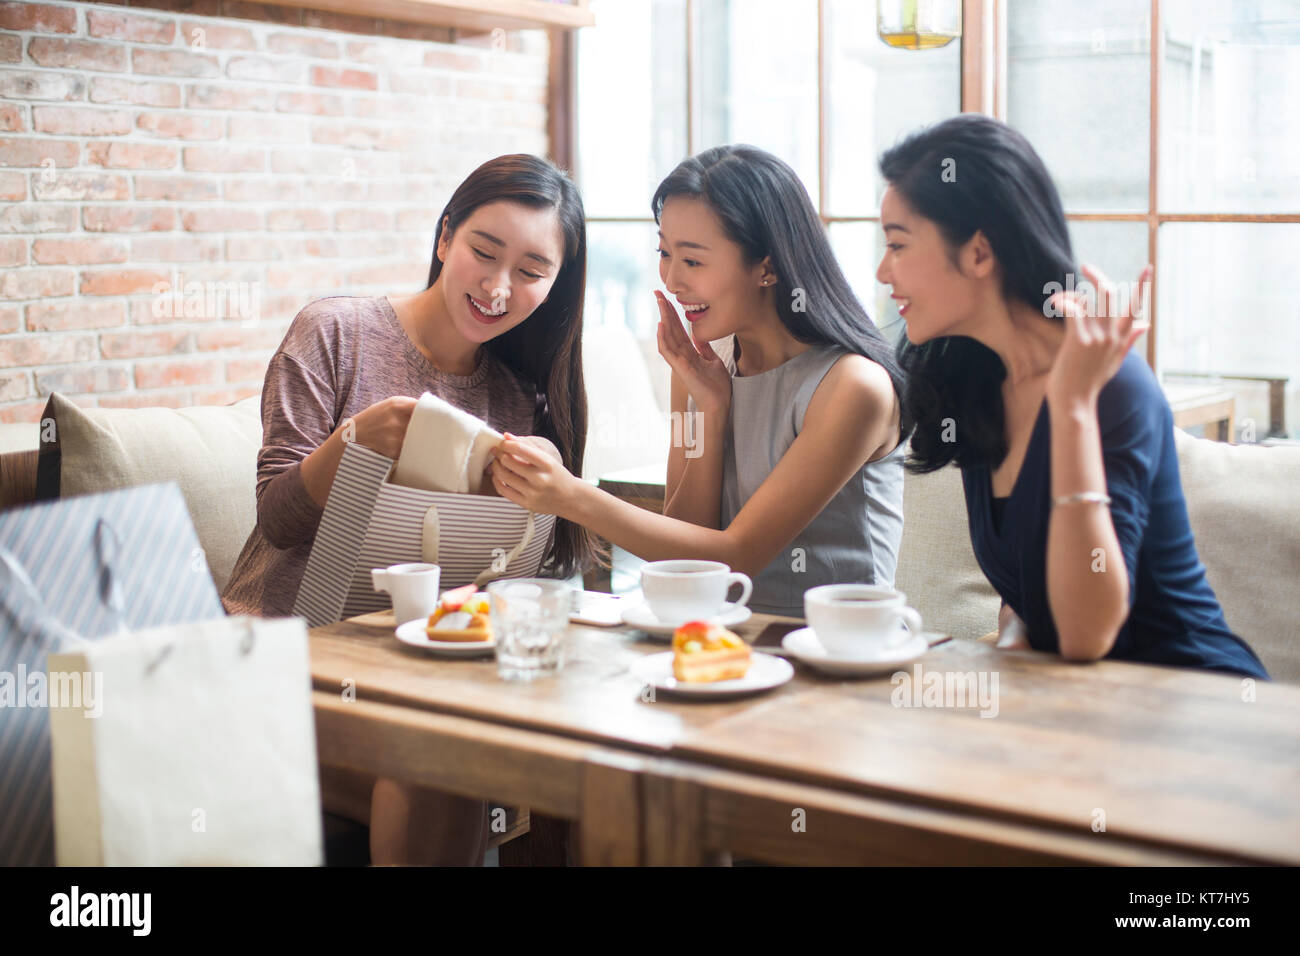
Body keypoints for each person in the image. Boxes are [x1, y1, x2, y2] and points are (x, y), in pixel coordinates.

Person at [222, 153, 601, 863]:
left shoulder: (523, 394)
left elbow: (526, 578)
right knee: (443, 760)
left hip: (434, 670)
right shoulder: (335, 332)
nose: (497, 286)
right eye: (484, 252)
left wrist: (542, 499)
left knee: (574, 741)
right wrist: (354, 442)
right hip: (287, 658)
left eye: (530, 271)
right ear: (444, 238)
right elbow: (276, 521)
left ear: (555, 285)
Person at [874, 113, 1267, 679]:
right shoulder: (975, 380)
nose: (884, 270)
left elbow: (1086, 635)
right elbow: (1028, 588)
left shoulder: (1113, 388)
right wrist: (1007, 643)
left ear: (979, 252)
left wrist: (1074, 410)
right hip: (1075, 709)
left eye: (898, 244)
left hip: (1191, 700)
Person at [488, 145, 906, 616]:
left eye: (692, 260)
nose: (671, 279)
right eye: (665, 253)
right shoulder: (702, 367)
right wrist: (709, 410)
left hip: (838, 655)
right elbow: (685, 554)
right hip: (718, 643)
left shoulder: (852, 387)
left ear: (766, 267)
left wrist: (570, 495)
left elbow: (736, 558)